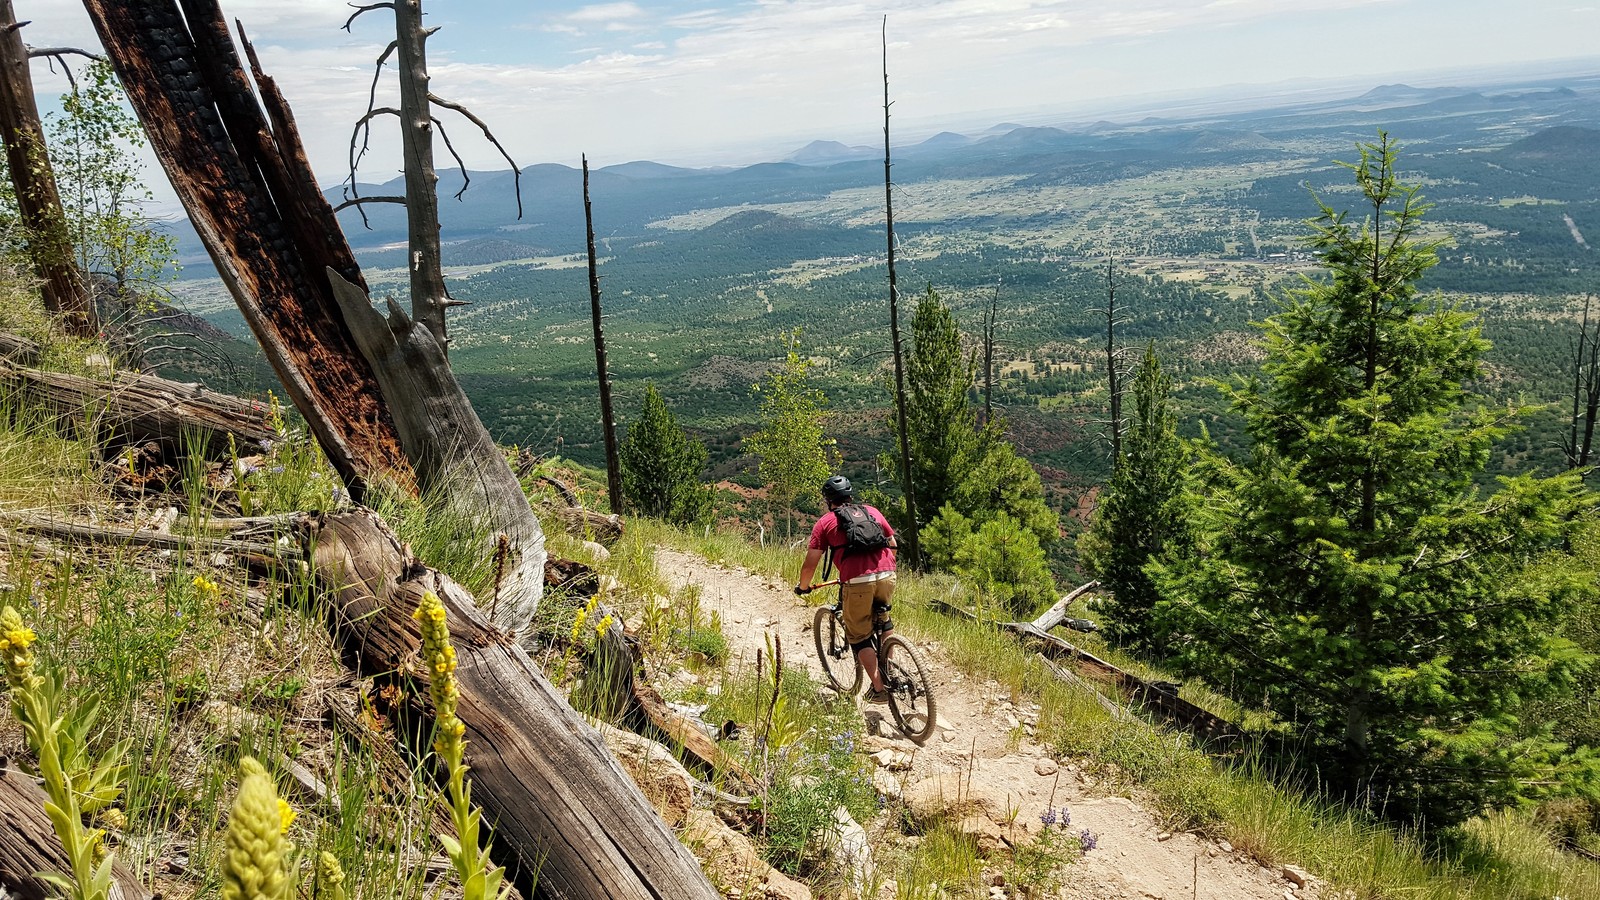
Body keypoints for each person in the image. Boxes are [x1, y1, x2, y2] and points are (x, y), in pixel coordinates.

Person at [795, 475, 898, 703]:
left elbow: (811, 563)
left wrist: (803, 587)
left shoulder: (825, 523)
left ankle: (879, 688)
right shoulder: (872, 511)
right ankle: (890, 669)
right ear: (850, 495)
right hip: (888, 573)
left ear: (828, 500)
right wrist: (885, 569)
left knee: (859, 635)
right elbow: (893, 544)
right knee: (884, 620)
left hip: (857, 581)